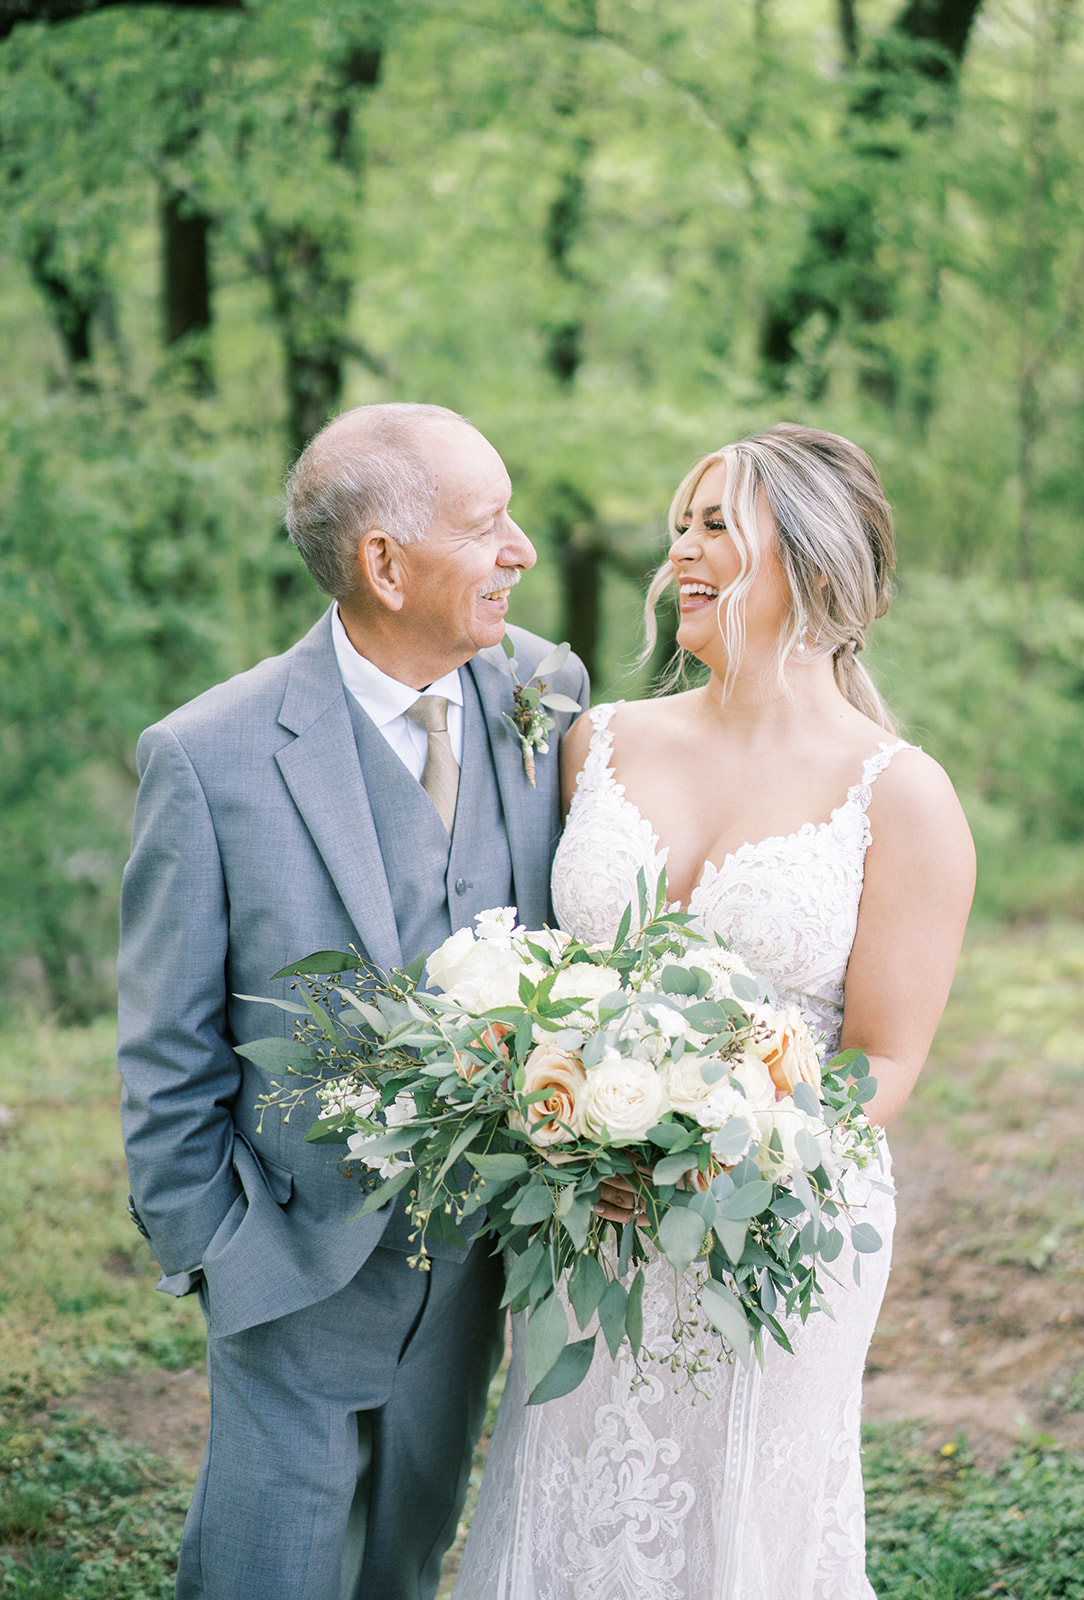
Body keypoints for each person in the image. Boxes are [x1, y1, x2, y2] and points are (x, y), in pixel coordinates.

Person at [450, 423, 975, 1600]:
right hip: (588, 1214)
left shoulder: (902, 794)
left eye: (717, 526)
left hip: (779, 1223)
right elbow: (538, 974)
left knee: (742, 1527)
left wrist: (734, 1150)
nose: (681, 552)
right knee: (570, 1498)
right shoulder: (598, 743)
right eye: (679, 526)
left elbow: (886, 1059)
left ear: (818, 564)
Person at [117, 402, 588, 1600]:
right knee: (265, 1573)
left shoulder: (545, 689)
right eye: (489, 526)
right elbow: (167, 1051)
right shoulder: (208, 756)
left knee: (407, 1557)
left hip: (477, 1259)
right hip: (291, 1262)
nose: (521, 551)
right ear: (385, 562)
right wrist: (222, 1254)